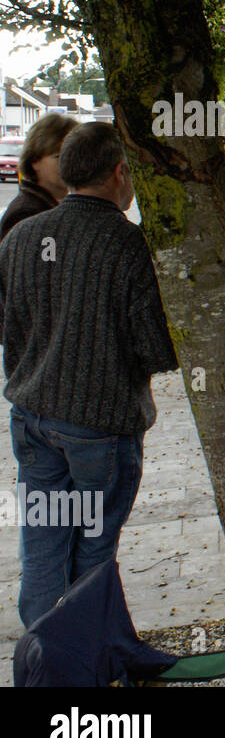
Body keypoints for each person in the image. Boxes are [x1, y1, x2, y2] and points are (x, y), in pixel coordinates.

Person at [0, 122, 177, 627]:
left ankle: (43, 668)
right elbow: (157, 349)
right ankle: (85, 669)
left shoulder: (21, 237)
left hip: (33, 419)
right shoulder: (128, 246)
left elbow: (7, 324)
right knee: (94, 554)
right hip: (100, 424)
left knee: (42, 549)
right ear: (120, 173)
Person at [1, 112, 77, 240]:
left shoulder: (51, 205)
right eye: (59, 157)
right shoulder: (26, 214)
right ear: (34, 160)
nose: (69, 163)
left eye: (75, 156)